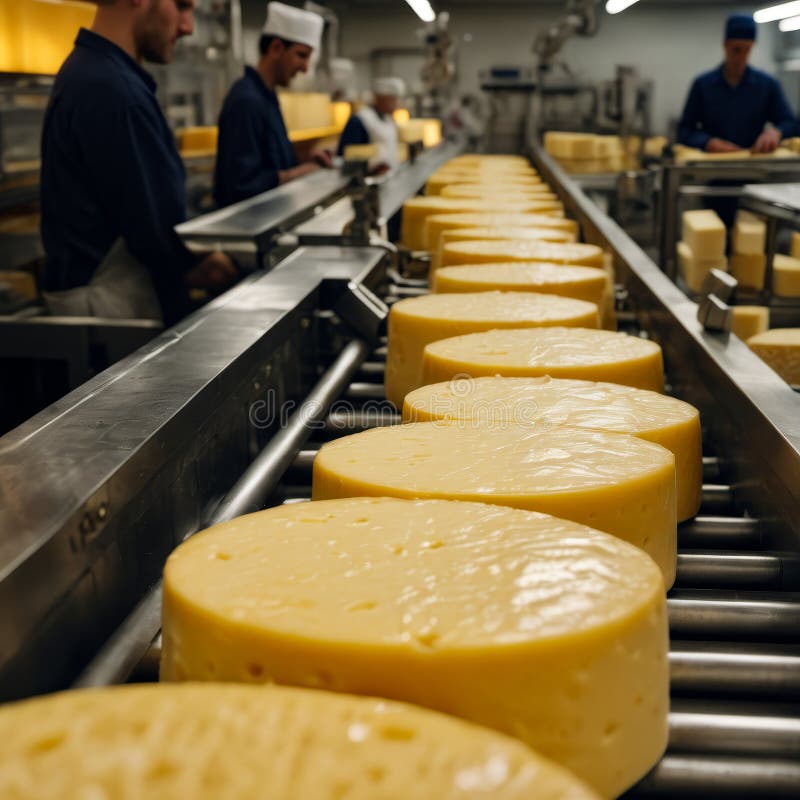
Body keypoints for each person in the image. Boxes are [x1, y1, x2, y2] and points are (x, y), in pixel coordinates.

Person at [40, 0, 238, 326]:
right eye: (181, 6)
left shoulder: (100, 74)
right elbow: (153, 231)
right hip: (110, 316)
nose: (188, 27)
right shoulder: (111, 90)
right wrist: (207, 265)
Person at [213, 2, 330, 208]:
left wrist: (304, 158)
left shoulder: (267, 96)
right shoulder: (246, 101)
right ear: (276, 48)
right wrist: (300, 173)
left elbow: (269, 159)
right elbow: (241, 185)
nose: (304, 68)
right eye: (301, 55)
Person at [677, 14, 796, 154]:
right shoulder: (702, 85)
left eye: (747, 50)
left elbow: (791, 123)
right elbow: (684, 130)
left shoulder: (767, 85)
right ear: (725, 45)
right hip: (712, 169)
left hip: (754, 167)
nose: (741, 57)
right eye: (737, 49)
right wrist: (707, 142)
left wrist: (776, 132)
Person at [337, 77, 406, 171]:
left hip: (389, 175)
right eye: (392, 99)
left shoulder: (389, 119)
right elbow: (349, 156)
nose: (396, 104)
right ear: (379, 98)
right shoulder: (359, 121)